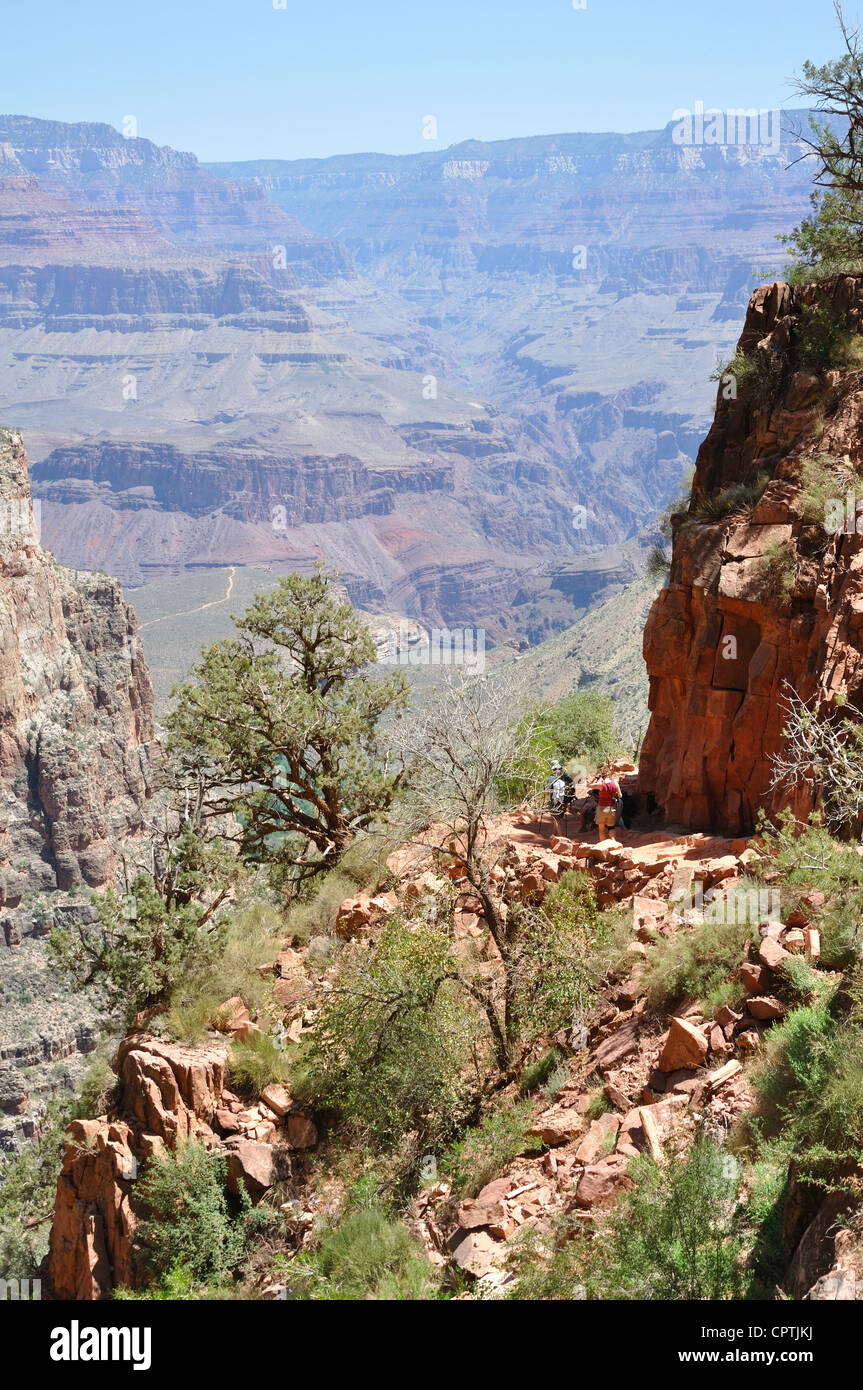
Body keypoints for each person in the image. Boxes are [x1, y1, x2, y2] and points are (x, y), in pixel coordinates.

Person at [596, 773, 623, 840]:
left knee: (602, 830)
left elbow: (589, 786)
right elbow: (620, 796)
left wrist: (596, 778)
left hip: (602, 808)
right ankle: (613, 843)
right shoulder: (615, 783)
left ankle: (603, 847)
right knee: (611, 827)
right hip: (611, 807)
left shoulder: (601, 784)